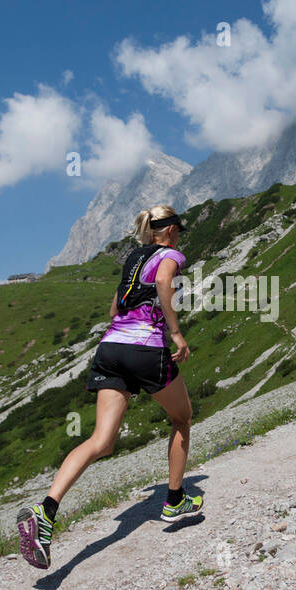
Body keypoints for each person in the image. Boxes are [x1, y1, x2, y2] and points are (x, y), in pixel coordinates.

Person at [15, 205, 202, 570]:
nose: (180, 235)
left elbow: (115, 307)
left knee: (101, 441)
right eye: (179, 229)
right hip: (145, 347)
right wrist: (175, 333)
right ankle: (175, 499)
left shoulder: (133, 258)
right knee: (182, 418)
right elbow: (165, 283)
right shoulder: (170, 255)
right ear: (171, 231)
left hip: (111, 347)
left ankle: (46, 510)